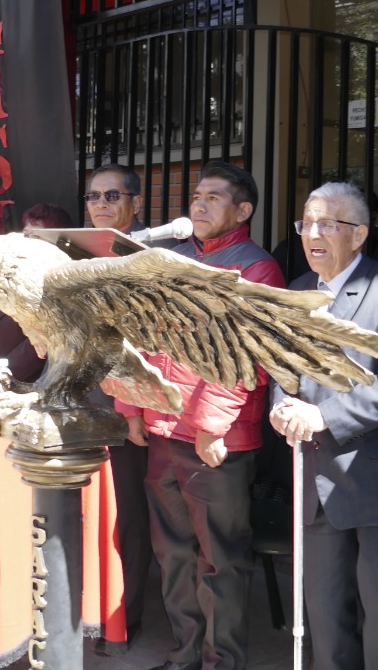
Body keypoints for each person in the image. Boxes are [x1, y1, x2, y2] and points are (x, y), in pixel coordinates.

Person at [117, 160, 284, 670]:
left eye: (214, 196)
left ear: (243, 210)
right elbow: (140, 336)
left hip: (217, 441)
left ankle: (221, 660)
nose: (199, 203)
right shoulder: (171, 257)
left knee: (221, 561)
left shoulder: (257, 267)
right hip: (164, 427)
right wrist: (131, 407)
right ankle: (184, 654)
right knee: (174, 555)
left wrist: (213, 425)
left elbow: (245, 355)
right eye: (196, 195)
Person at [271, 181, 378, 670]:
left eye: (327, 224)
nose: (312, 234)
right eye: (306, 223)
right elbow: (281, 368)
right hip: (314, 478)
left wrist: (321, 415)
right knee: (323, 611)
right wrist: (282, 405)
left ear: (358, 234)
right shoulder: (296, 292)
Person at [79, 162, 158, 656]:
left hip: (128, 409)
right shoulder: (77, 255)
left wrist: (131, 409)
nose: (101, 204)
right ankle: (86, 610)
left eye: (112, 196)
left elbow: (151, 342)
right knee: (87, 517)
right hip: (83, 403)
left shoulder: (151, 255)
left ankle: (122, 620)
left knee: (125, 519)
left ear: (136, 203)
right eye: (93, 197)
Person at [0, 202, 71, 385]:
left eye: (36, 235)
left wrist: (2, 377)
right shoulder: (7, 275)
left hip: (20, 385)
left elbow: (40, 342)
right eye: (26, 234)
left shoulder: (56, 284)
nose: (28, 241)